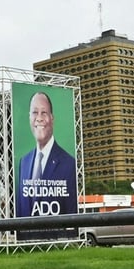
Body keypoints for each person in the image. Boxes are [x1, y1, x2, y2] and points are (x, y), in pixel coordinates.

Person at [14, 91, 78, 220]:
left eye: (44, 112)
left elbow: (71, 214)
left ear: (52, 118)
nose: (39, 118)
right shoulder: (24, 162)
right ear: (29, 117)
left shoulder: (69, 164)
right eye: (34, 112)